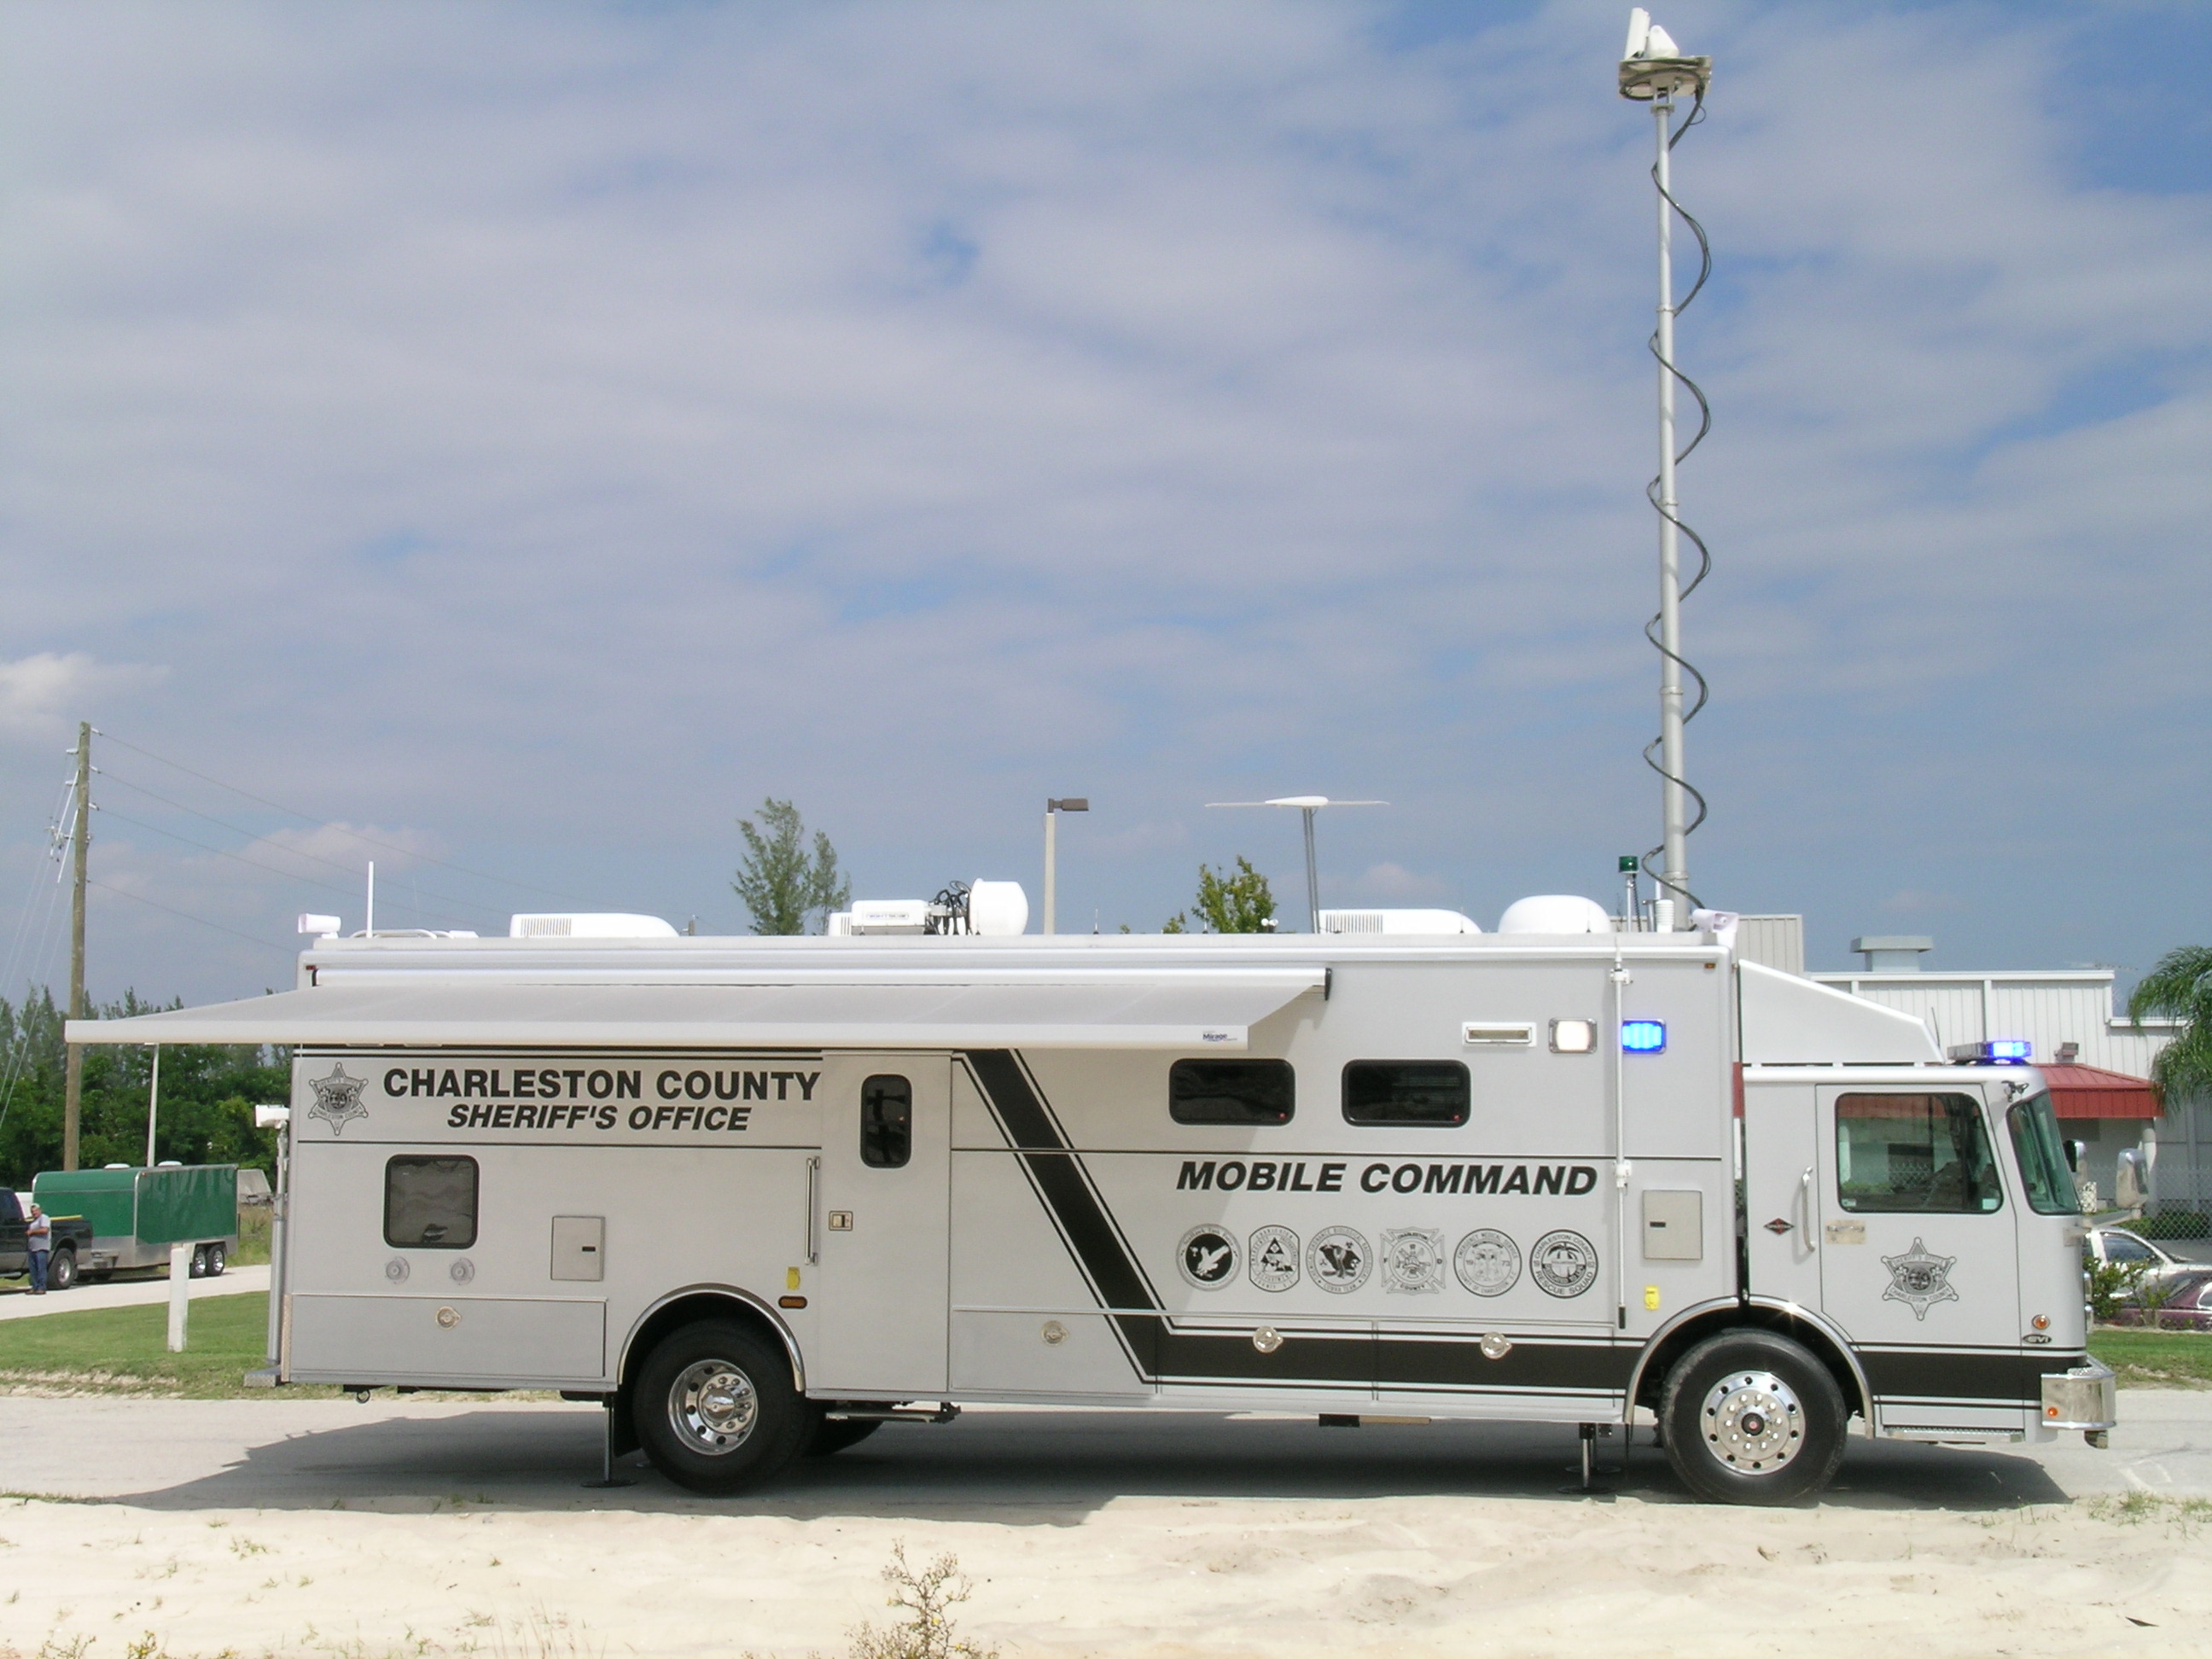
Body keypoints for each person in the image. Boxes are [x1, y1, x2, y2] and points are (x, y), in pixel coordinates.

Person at [24, 1202, 49, 1295]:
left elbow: (45, 1230)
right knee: (33, 1269)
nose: (34, 1213)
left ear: (40, 1210)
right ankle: (34, 1287)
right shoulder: (33, 1221)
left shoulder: (44, 1218)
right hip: (32, 1248)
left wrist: (32, 1232)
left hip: (41, 1248)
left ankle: (42, 1287)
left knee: (41, 1268)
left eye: (35, 1211)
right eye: (32, 1211)